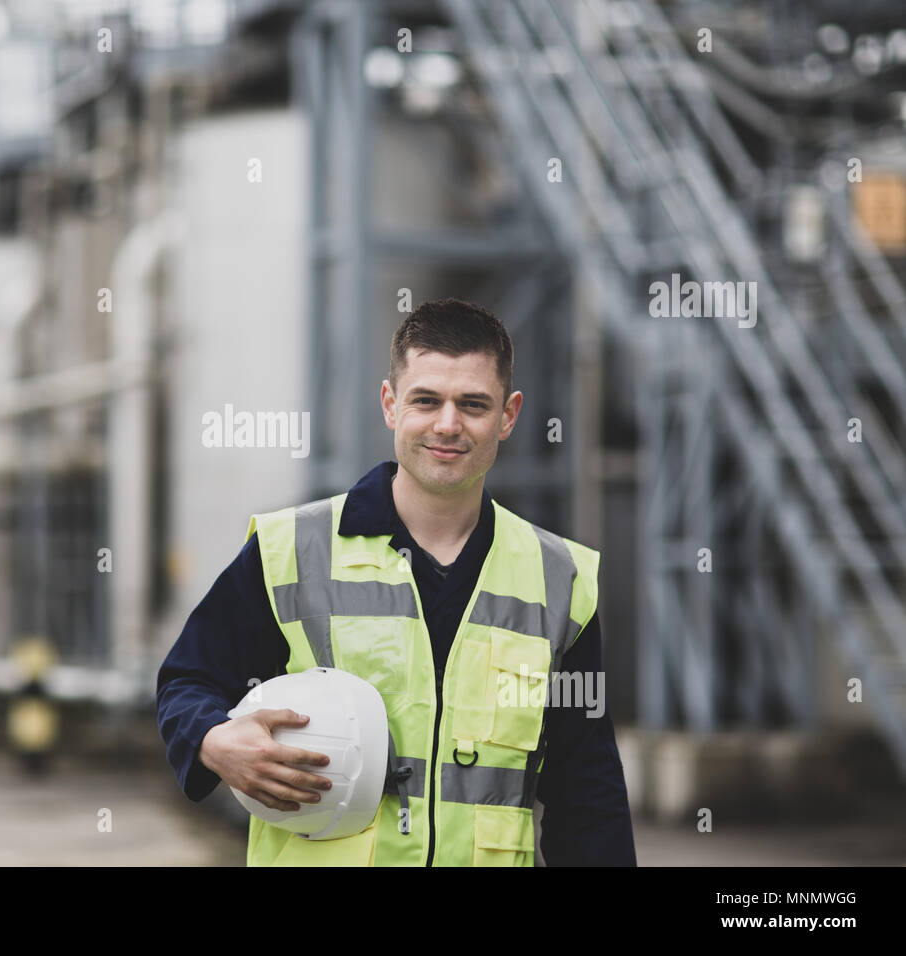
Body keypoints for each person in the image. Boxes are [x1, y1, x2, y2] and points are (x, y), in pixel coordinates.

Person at [156, 298, 637, 866]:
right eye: (426, 400)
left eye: (473, 404)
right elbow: (188, 679)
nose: (448, 424)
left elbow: (587, 790)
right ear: (390, 404)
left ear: (509, 415)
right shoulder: (290, 551)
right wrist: (213, 740)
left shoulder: (559, 581)